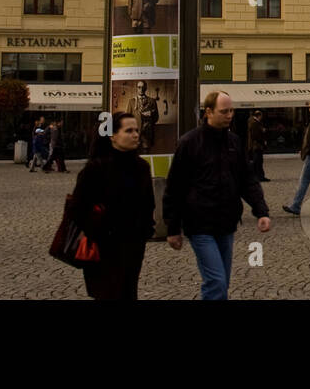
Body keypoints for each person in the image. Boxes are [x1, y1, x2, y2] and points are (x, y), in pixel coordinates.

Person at [164, 92, 270, 300]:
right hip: (199, 224)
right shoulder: (189, 143)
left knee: (223, 282)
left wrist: (261, 212)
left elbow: (247, 180)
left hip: (226, 223)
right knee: (216, 282)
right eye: (224, 111)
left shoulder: (234, 142)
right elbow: (175, 187)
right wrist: (173, 228)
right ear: (209, 112)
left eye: (231, 110)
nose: (229, 115)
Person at [67, 112, 154, 300]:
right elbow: (77, 207)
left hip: (133, 245)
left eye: (136, 130)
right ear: (113, 136)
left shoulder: (141, 167)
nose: (135, 135)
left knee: (129, 292)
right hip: (103, 247)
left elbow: (148, 204)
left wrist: (145, 230)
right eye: (129, 130)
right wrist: (97, 231)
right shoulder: (96, 168)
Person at [125, 81, 160, 153]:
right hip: (134, 134)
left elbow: (156, 118)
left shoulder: (152, 101)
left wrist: (151, 114)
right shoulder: (131, 101)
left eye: (143, 87)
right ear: (137, 88)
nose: (141, 89)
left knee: (146, 155)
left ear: (146, 88)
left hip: (147, 135)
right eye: (139, 87)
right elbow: (127, 119)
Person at [246, 109, 268, 182]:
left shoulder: (253, 122)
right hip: (257, 146)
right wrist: (263, 140)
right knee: (258, 162)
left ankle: (258, 176)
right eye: (261, 116)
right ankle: (259, 177)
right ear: (258, 116)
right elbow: (256, 135)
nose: (261, 118)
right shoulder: (254, 123)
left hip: (256, 145)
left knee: (257, 162)